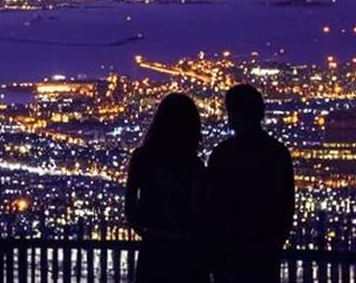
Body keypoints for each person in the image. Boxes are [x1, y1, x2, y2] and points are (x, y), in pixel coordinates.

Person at [207, 84, 295, 283]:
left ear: (234, 113)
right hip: (265, 254)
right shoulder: (278, 153)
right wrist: (274, 242)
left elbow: (213, 205)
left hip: (229, 255)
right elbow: (287, 206)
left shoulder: (223, 154)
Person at [125, 93, 209, 283]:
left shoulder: (142, 158)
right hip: (188, 253)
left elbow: (130, 206)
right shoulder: (194, 165)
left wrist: (148, 231)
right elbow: (201, 209)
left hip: (154, 250)